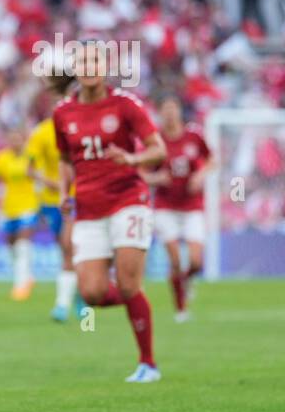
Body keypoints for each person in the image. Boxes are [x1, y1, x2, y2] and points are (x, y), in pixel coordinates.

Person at [52, 69, 166, 382]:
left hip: (128, 200)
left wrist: (131, 160)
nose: (89, 67)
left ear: (102, 68)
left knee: (128, 283)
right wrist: (64, 192)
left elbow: (158, 150)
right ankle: (137, 302)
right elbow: (64, 158)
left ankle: (148, 363)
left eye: (95, 60)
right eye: (83, 60)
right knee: (91, 294)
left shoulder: (126, 104)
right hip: (88, 208)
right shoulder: (62, 112)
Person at [142, 95, 210, 321]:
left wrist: (200, 174)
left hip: (192, 205)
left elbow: (211, 159)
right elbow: (139, 172)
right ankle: (181, 309)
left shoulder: (194, 136)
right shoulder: (155, 141)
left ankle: (187, 280)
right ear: (160, 113)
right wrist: (156, 179)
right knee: (175, 261)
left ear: (180, 111)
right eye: (166, 109)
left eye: (174, 108)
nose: (170, 113)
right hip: (165, 207)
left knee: (196, 262)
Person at [26, 81, 80, 321]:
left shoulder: (81, 127)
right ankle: (79, 294)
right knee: (65, 248)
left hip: (77, 197)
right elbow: (30, 169)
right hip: (51, 200)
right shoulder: (41, 132)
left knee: (69, 246)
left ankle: (62, 305)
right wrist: (51, 183)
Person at [0, 127, 39, 301]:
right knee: (10, 244)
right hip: (9, 206)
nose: (15, 142)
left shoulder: (32, 156)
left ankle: (20, 285)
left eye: (18, 138)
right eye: (12, 139)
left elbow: (39, 176)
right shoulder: (1, 158)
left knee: (23, 243)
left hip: (29, 205)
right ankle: (28, 276)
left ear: (23, 139)